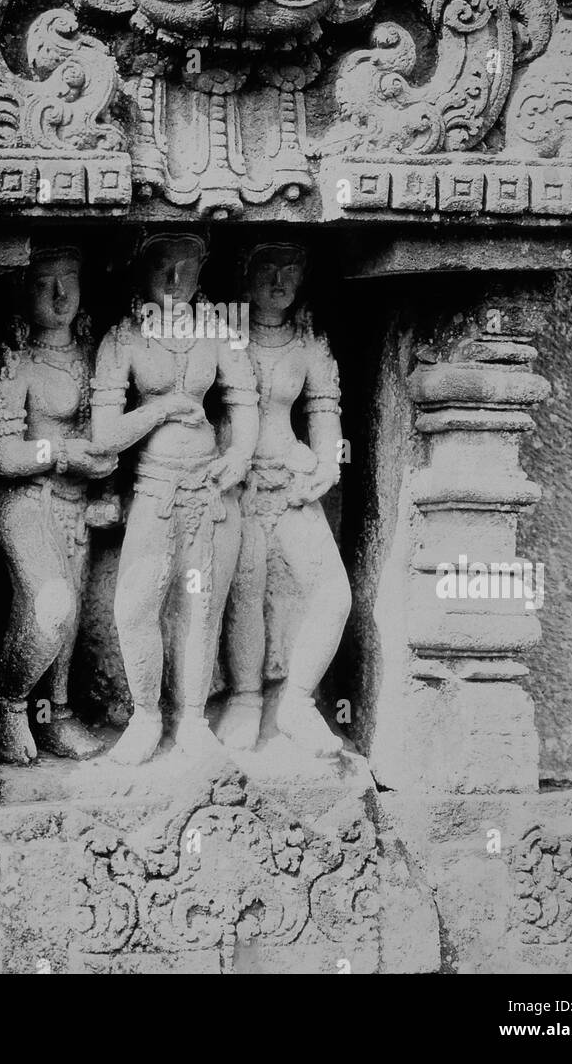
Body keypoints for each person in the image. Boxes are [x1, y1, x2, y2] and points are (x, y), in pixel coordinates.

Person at [91, 232, 259, 765]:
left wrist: (239, 457)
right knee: (137, 605)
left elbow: (244, 403)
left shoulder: (219, 334)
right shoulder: (123, 340)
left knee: (200, 607)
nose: (174, 281)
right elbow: (104, 436)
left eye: (187, 270)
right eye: (164, 268)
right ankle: (145, 715)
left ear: (201, 273)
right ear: (141, 272)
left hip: (208, 493)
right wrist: (163, 408)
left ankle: (191, 718)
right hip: (154, 490)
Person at [216, 241, 351, 757]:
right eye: (267, 269)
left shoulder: (308, 345)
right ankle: (246, 700)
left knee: (334, 595)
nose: (279, 283)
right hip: (236, 483)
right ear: (244, 273)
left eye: (291, 271)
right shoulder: (220, 338)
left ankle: (297, 701)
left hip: (291, 483)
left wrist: (327, 465)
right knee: (243, 595)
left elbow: (324, 412)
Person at [0, 246, 116, 764]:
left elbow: (107, 436)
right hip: (27, 501)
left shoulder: (93, 358)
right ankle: (7, 706)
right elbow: (5, 455)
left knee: (73, 619)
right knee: (51, 607)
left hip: (75, 505)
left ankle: (56, 716)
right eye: (45, 284)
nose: (61, 296)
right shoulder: (18, 362)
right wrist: (61, 452)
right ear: (22, 292)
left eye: (69, 280)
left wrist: (107, 488)